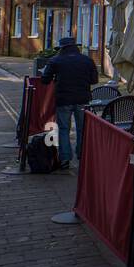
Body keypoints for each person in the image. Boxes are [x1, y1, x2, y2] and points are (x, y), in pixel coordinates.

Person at [40, 34, 98, 169]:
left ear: (62, 48)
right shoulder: (87, 60)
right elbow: (94, 80)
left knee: (64, 129)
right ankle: (82, 155)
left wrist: (56, 77)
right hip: (83, 99)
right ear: (75, 47)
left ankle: (65, 158)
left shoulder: (55, 61)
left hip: (63, 99)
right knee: (82, 128)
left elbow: (44, 80)